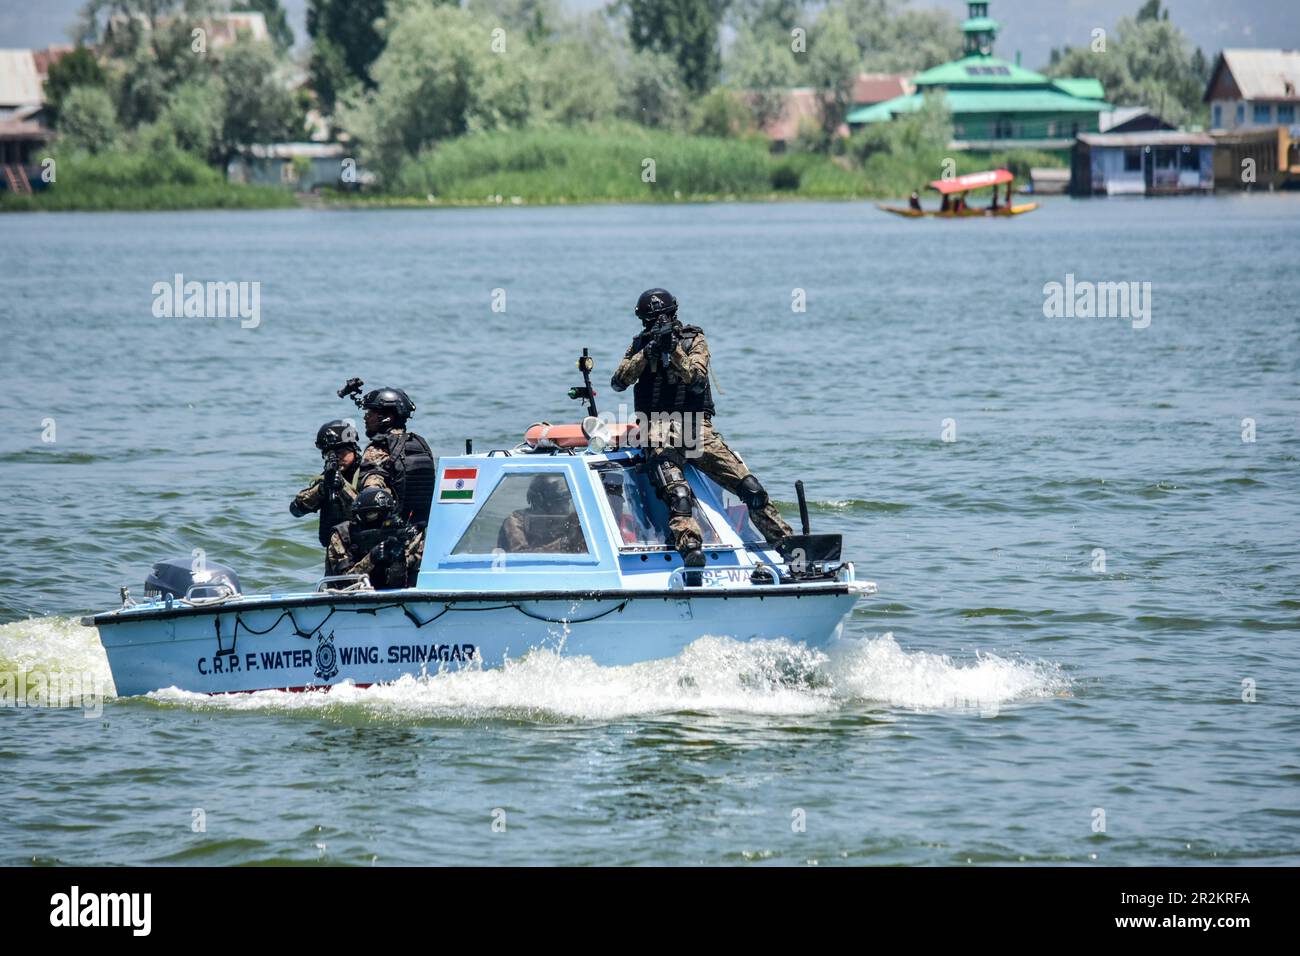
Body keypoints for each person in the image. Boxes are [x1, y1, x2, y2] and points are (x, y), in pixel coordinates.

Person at [610, 288, 792, 568]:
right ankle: (692, 550)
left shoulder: (693, 340)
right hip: (656, 427)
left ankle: (788, 545)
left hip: (696, 427)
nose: (656, 325)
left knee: (751, 490)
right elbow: (619, 381)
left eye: (662, 318)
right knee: (678, 495)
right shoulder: (639, 345)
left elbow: (696, 379)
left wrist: (672, 349)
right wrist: (649, 352)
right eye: (651, 321)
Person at [356, 386, 436, 528]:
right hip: (420, 532)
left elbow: (370, 496)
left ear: (388, 418)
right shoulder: (420, 444)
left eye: (371, 413)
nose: (365, 417)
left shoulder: (378, 448)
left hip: (389, 534)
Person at [325, 487, 425, 590]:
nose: (380, 520)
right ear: (359, 516)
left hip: (392, 598)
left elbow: (399, 584)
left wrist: (398, 561)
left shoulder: (403, 537)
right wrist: (372, 557)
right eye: (372, 515)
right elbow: (344, 582)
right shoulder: (342, 535)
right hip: (346, 597)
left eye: (386, 514)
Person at [290, 420, 362, 549]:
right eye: (329, 454)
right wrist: (322, 489)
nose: (337, 458)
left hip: (363, 550)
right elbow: (296, 510)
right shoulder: (326, 477)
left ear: (353, 449)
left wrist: (342, 488)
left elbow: (371, 511)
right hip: (335, 553)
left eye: (341, 452)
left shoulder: (368, 474)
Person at [497, 475, 586, 553]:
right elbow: (520, 556)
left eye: (566, 501)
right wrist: (563, 544)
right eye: (558, 503)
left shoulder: (570, 522)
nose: (566, 506)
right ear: (540, 503)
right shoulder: (515, 522)